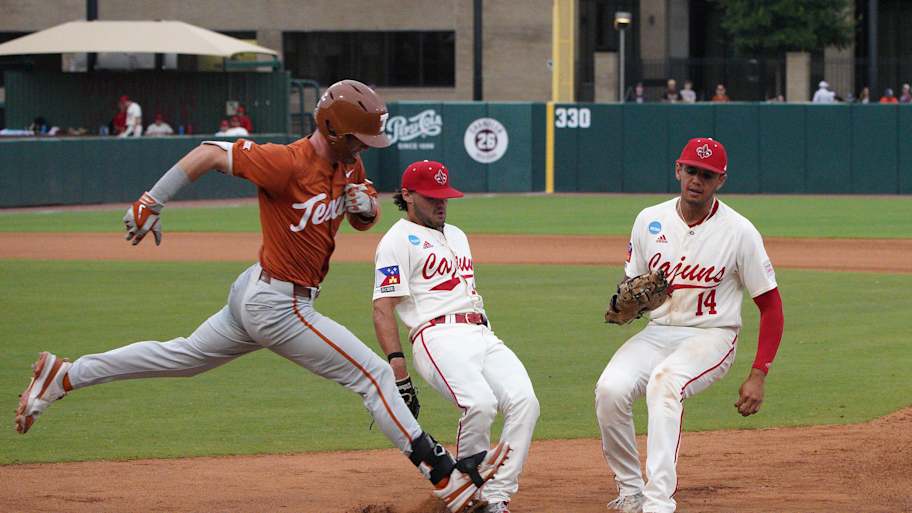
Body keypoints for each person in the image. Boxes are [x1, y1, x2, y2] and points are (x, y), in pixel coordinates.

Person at [14, 79, 509, 513]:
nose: (365, 147)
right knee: (374, 376)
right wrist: (153, 199)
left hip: (260, 293)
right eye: (359, 138)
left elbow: (363, 218)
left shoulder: (350, 164)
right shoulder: (285, 162)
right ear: (334, 130)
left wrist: (365, 209)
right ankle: (443, 475)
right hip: (277, 304)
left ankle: (66, 375)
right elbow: (208, 153)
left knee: (181, 357)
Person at [595, 138, 784, 513]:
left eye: (707, 175)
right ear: (678, 170)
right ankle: (631, 490)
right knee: (609, 390)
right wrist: (627, 304)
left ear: (720, 180)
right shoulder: (649, 220)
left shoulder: (739, 232)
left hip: (712, 335)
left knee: (665, 383)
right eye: (691, 171)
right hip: (657, 332)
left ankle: (658, 503)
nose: (697, 180)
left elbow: (771, 306)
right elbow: (633, 285)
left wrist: (759, 373)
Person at [372, 160, 540, 513]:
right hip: (437, 335)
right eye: (431, 197)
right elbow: (383, 307)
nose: (441, 203)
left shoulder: (458, 235)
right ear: (408, 196)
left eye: (444, 197)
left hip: (481, 333)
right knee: (479, 404)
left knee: (525, 402)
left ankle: (495, 496)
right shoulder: (396, 241)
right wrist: (398, 372)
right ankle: (466, 496)